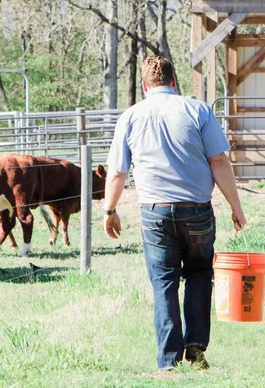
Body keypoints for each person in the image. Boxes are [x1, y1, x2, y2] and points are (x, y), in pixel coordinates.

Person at [104, 56, 247, 371]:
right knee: (198, 275)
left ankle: (168, 361)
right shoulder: (198, 110)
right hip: (196, 210)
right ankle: (195, 348)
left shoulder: (130, 117)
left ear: (144, 86)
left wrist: (110, 210)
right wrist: (236, 207)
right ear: (174, 82)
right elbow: (219, 162)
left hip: (154, 213)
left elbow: (117, 173)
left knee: (164, 282)